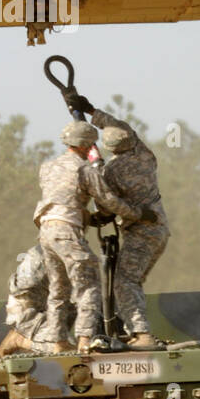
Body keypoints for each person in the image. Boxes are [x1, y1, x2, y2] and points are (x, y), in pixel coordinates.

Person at [33, 120, 147, 354]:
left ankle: (58, 342)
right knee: (89, 283)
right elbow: (108, 200)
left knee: (58, 288)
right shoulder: (84, 169)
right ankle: (84, 339)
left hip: (46, 231)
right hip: (67, 231)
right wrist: (137, 213)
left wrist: (89, 217)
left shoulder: (47, 167)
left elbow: (62, 198)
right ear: (88, 144)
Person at [67, 96, 169, 347]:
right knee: (134, 280)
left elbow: (106, 206)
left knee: (125, 281)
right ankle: (134, 330)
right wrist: (91, 110)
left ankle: (142, 334)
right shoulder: (143, 152)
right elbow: (118, 126)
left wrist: (95, 164)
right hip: (160, 229)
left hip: (141, 231)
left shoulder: (110, 172)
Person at [0, 243, 67, 357]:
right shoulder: (45, 253)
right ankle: (20, 340)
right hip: (27, 309)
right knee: (65, 349)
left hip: (37, 305)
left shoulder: (64, 246)